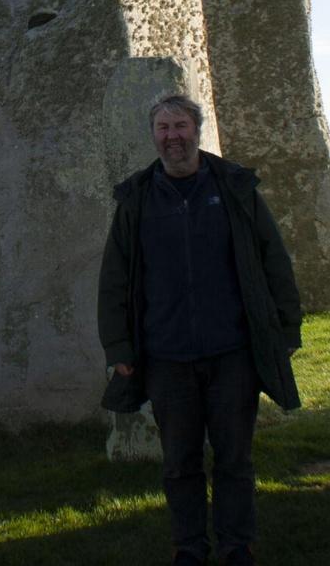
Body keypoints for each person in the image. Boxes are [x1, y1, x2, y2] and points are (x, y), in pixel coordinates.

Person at [98, 94, 303, 566]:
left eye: (181, 126)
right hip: (167, 355)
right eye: (164, 128)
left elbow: (274, 260)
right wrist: (118, 346)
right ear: (154, 136)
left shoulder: (234, 187)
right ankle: (189, 547)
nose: (173, 137)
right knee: (180, 462)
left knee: (235, 458)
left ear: (198, 129)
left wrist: (285, 330)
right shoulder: (137, 198)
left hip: (232, 351)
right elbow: (115, 279)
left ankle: (237, 545)